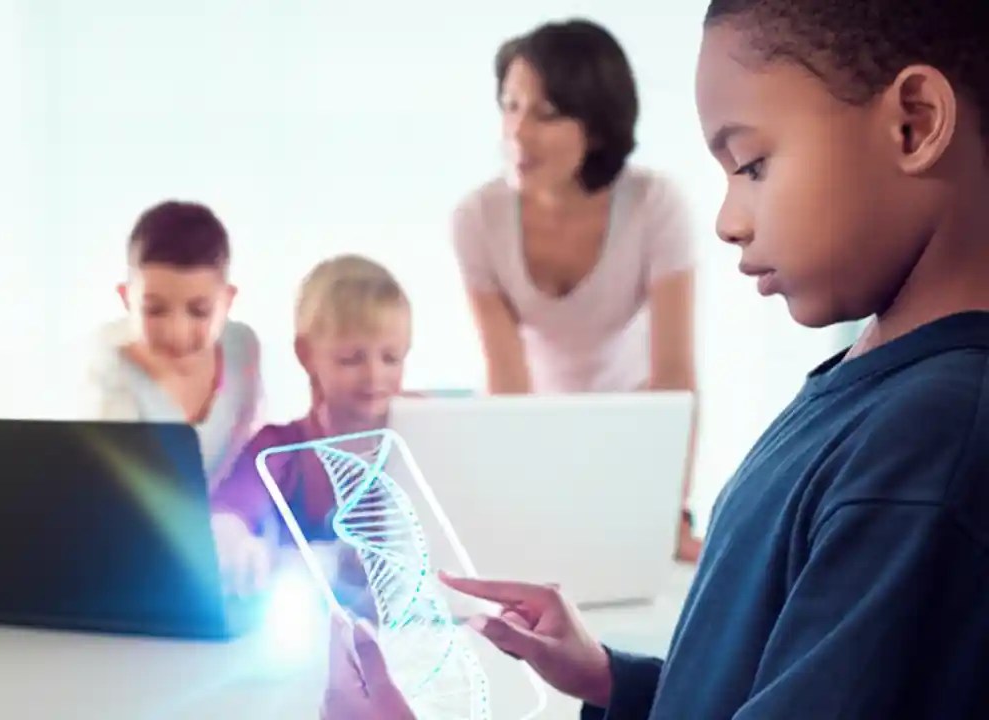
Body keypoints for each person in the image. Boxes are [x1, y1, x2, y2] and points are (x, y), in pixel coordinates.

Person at [323, 0, 989, 717]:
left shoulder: (928, 443)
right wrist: (615, 680)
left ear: (913, 123)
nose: (729, 222)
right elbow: (756, 671)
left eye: (754, 165)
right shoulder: (874, 395)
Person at [453, 20, 700, 560]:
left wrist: (667, 508)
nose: (517, 132)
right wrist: (513, 501)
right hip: (534, 440)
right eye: (510, 106)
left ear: (598, 128)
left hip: (634, 446)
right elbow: (507, 380)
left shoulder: (655, 204)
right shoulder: (477, 218)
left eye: (545, 114)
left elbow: (676, 376)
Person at [210, 255, 411, 601]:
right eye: (351, 358)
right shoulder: (278, 449)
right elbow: (230, 510)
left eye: (391, 358)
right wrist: (232, 542)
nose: (375, 375)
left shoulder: (424, 440)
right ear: (306, 355)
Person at [84, 200, 262, 489]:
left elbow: (247, 452)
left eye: (199, 311)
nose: (176, 332)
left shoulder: (242, 349)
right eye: (154, 310)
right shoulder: (109, 378)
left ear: (228, 300)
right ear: (126, 298)